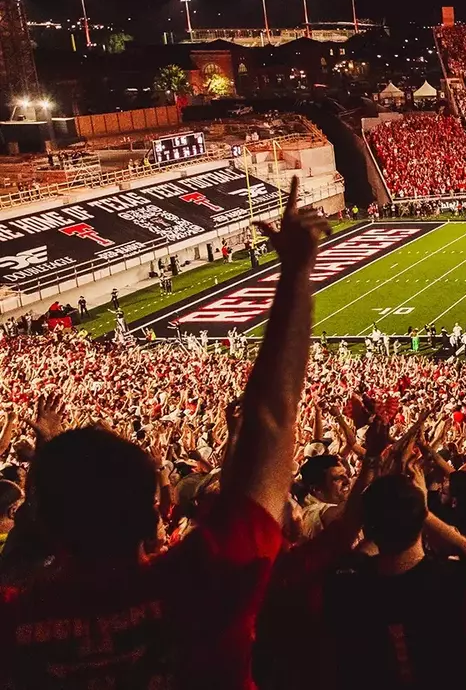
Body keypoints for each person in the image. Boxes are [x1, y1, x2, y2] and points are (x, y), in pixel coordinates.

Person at [0, 177, 328, 687]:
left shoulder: (16, 622)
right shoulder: (198, 580)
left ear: (42, 515)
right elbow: (272, 420)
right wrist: (297, 274)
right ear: (156, 506)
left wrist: (50, 455)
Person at [323, 474, 466, 690]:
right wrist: (425, 513)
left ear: (368, 528)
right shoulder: (455, 579)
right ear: (422, 519)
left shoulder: (344, 586)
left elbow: (353, 553)